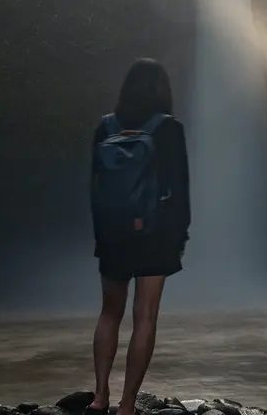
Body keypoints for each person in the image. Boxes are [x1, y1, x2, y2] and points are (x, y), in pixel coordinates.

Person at [87, 58, 190, 415]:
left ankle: (99, 396)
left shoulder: (105, 127)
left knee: (109, 313)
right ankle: (127, 404)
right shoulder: (168, 129)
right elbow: (179, 189)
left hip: (113, 234)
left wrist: (102, 233)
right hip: (154, 234)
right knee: (144, 316)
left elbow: (95, 187)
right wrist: (180, 236)